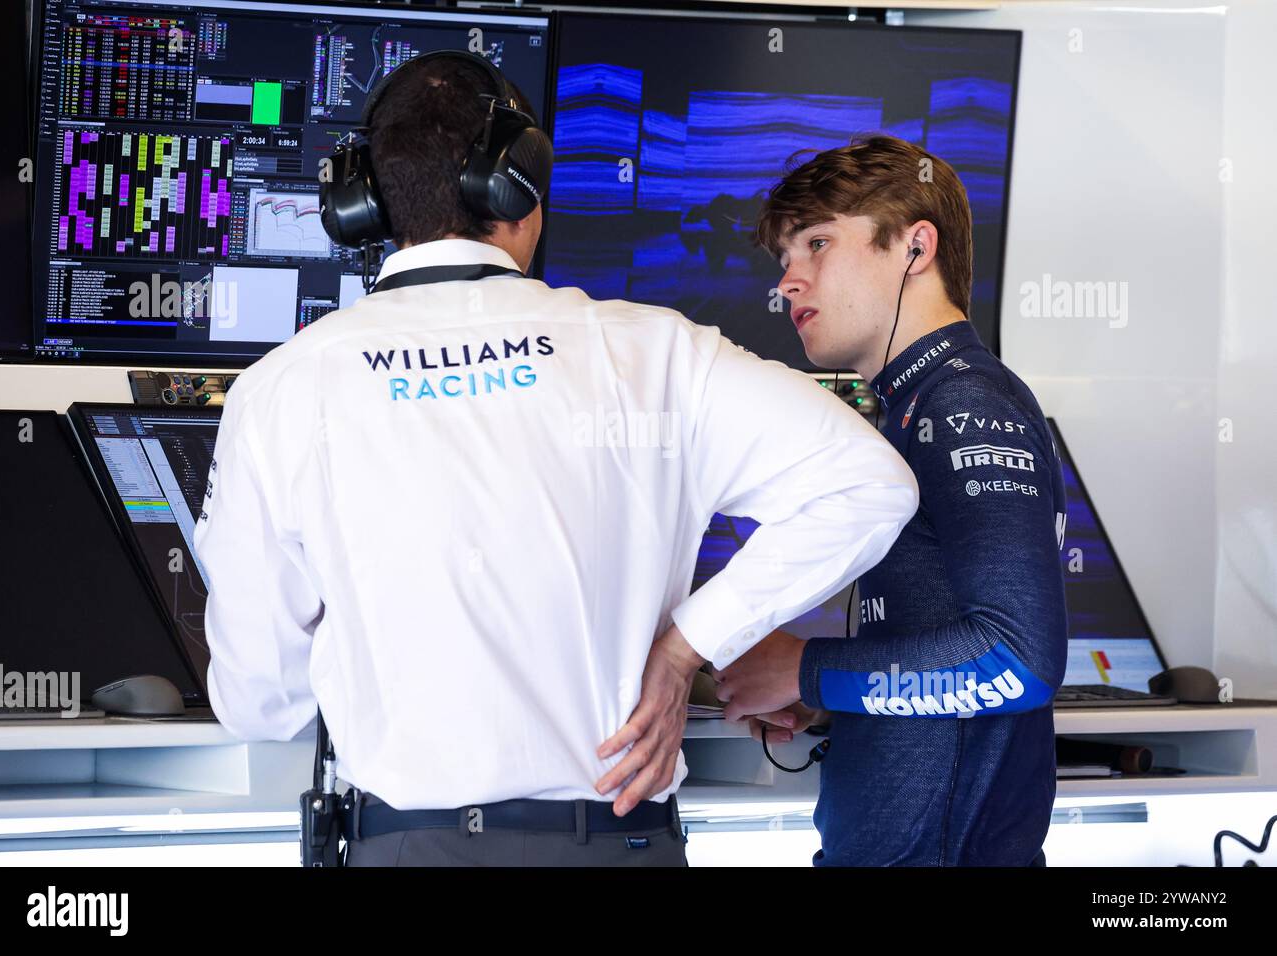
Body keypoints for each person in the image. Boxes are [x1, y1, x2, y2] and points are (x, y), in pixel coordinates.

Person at [192, 56, 918, 866]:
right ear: (520, 187)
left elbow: (260, 706)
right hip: (616, 841)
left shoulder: (281, 390)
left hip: (404, 848)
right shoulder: (654, 352)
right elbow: (870, 483)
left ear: (362, 200)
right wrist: (685, 649)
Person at [715, 135, 1068, 867]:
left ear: (915, 248)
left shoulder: (965, 400)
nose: (789, 284)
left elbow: (1018, 658)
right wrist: (832, 693)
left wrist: (805, 669)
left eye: (817, 243)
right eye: (785, 261)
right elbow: (944, 647)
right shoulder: (913, 408)